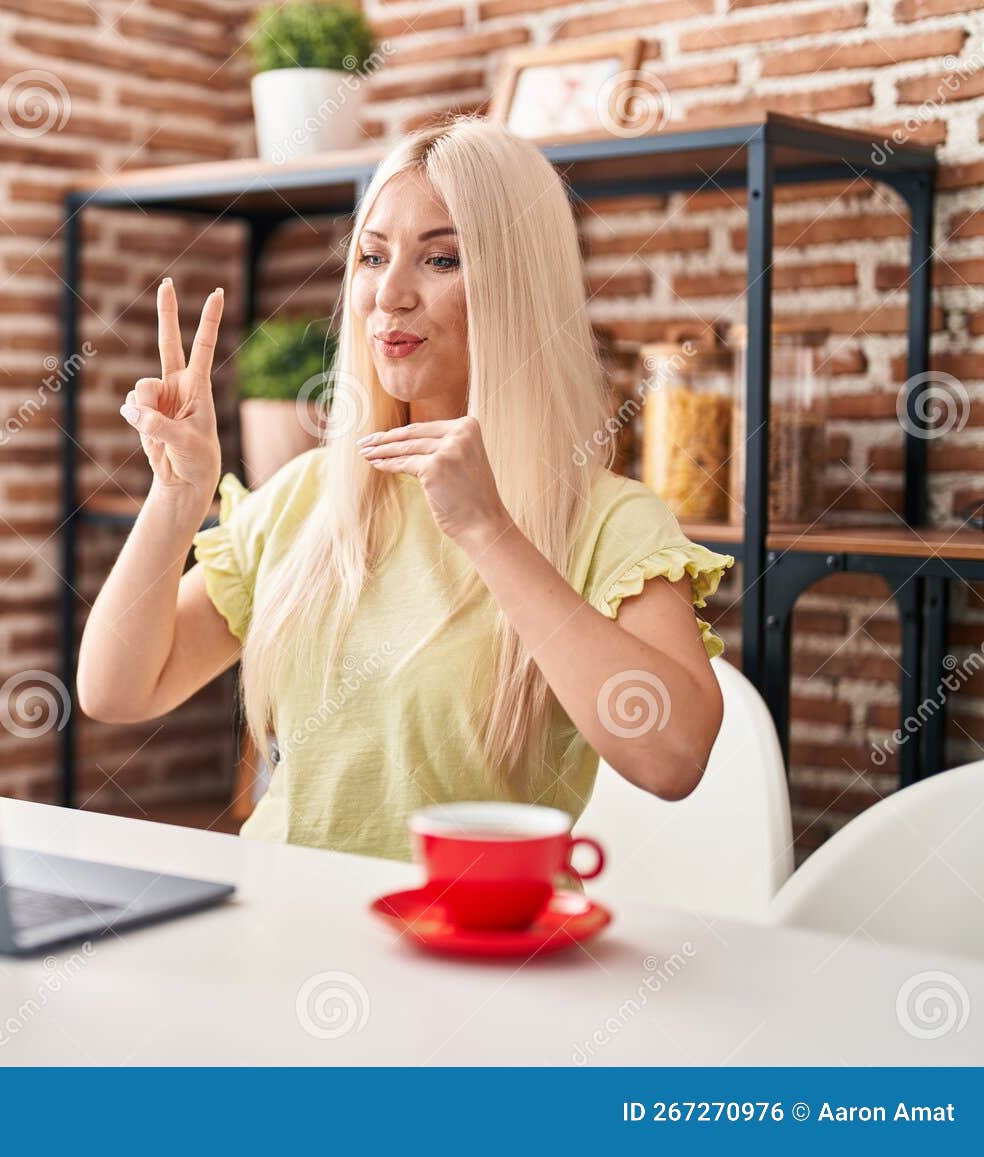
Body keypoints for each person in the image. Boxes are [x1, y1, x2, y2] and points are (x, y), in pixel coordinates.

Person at [76, 115, 735, 863]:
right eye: (372, 256)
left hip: (479, 949)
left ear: (516, 286)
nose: (389, 294)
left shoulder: (609, 523)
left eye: (441, 259)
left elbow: (673, 758)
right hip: (282, 926)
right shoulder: (309, 498)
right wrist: (175, 499)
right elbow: (117, 691)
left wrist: (489, 531)